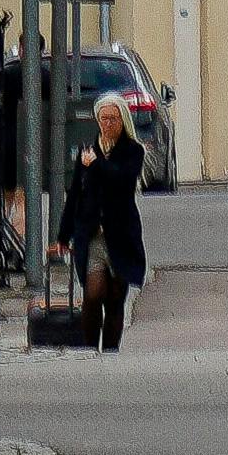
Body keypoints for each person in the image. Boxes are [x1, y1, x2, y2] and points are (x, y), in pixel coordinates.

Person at [60, 85, 151, 352]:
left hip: (121, 235)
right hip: (93, 236)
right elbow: (75, 193)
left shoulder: (132, 151)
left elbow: (121, 180)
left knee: (115, 298)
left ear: (123, 120)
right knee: (93, 292)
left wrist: (96, 165)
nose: (108, 124)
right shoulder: (88, 152)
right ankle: (89, 349)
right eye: (103, 118)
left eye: (113, 119)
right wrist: (64, 236)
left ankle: (110, 351)